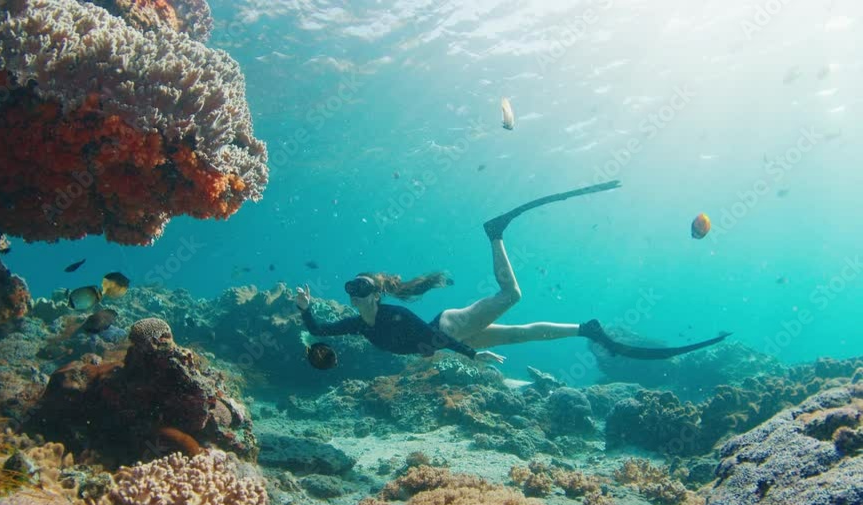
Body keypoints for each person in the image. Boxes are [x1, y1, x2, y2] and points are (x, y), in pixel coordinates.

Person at [296, 181, 731, 363]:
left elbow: (436, 339)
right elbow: (319, 328)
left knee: (512, 297)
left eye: (362, 288)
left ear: (377, 295)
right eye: (352, 288)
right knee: (521, 333)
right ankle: (587, 329)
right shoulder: (357, 323)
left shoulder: (391, 317)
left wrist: (470, 355)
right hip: (453, 337)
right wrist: (304, 308)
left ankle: (495, 233)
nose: (355, 293)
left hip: (450, 328)